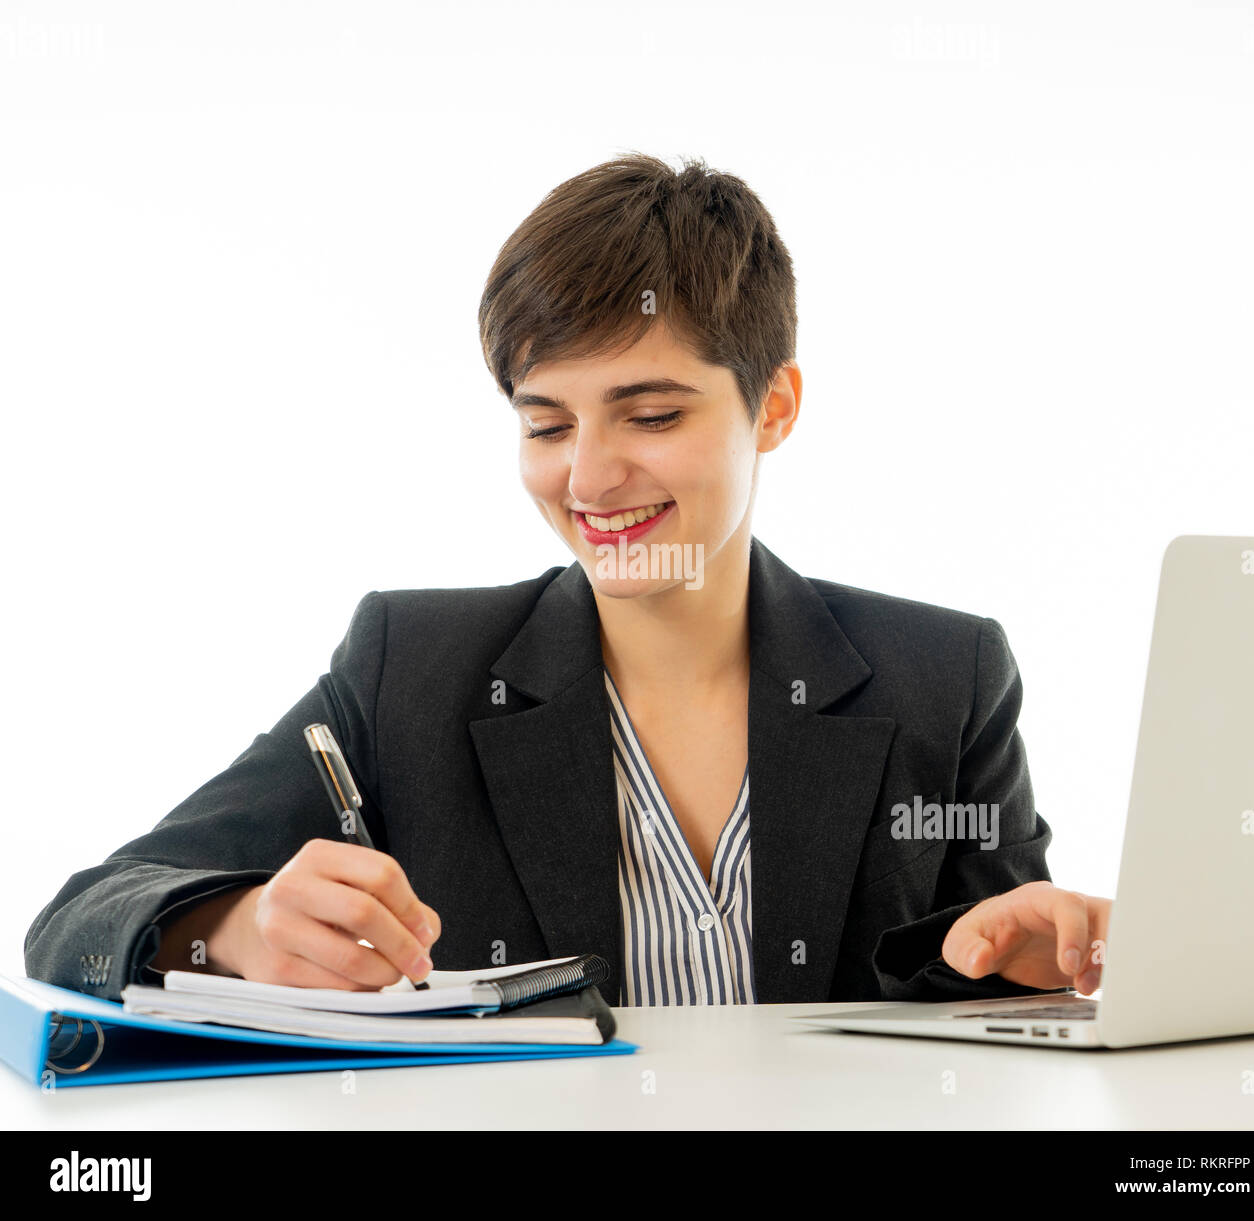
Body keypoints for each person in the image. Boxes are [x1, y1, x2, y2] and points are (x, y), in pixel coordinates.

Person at [25, 153, 1110, 1008]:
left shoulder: (944, 676)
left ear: (772, 406)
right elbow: (77, 920)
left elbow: (986, 970)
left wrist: (1038, 952)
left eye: (651, 415)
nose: (588, 477)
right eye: (546, 423)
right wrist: (237, 928)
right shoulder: (413, 669)